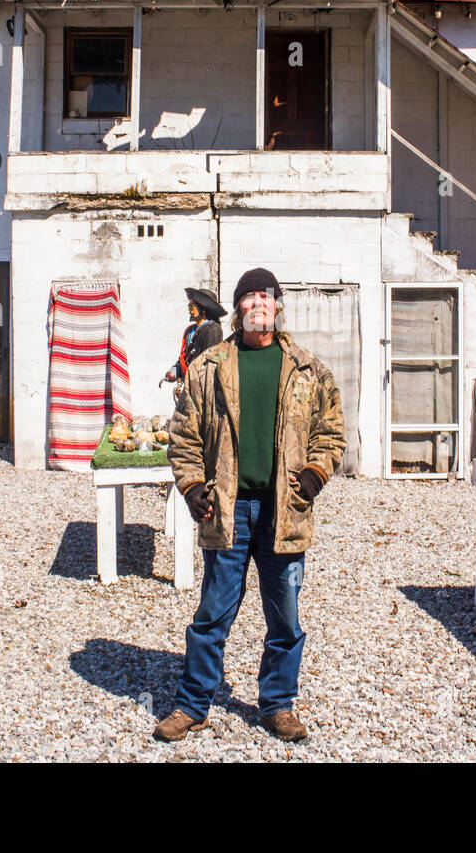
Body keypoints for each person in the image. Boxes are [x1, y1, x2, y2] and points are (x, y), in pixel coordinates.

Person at [156, 268, 345, 743]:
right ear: (238, 308)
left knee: (284, 616)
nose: (258, 303)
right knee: (213, 613)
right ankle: (193, 704)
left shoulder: (309, 368)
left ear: (278, 305)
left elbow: (332, 429)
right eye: (249, 297)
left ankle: (277, 704)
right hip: (228, 512)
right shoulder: (209, 366)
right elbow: (185, 435)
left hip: (285, 511)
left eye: (267, 295)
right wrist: (193, 484)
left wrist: (314, 473)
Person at [164, 288, 225, 392]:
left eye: (192, 304)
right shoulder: (190, 331)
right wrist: (175, 371)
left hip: (202, 388)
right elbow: (185, 358)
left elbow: (208, 365)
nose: (189, 308)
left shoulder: (212, 330)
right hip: (189, 385)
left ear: (203, 309)